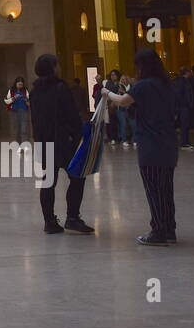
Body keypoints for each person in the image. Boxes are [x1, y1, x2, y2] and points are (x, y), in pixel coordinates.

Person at [101, 48, 178, 246]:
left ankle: (158, 230)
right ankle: (169, 228)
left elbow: (124, 101)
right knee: (166, 188)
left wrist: (107, 92)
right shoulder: (166, 84)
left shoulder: (144, 85)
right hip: (168, 143)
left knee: (154, 188)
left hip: (151, 145)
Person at [29, 53, 91, 236]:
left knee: (48, 181)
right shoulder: (60, 88)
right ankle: (72, 217)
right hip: (62, 141)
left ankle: (49, 221)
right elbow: (71, 115)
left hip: (43, 140)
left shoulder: (34, 92)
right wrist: (79, 134)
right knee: (77, 177)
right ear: (53, 67)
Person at [3, 76, 31, 151]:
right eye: (19, 84)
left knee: (24, 128)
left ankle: (24, 145)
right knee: (15, 128)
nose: (20, 86)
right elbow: (6, 101)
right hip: (14, 111)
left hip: (23, 111)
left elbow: (29, 103)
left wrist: (26, 100)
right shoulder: (11, 91)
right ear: (15, 84)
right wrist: (14, 98)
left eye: (21, 84)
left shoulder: (25, 91)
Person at [103, 70, 124, 145]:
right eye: (111, 75)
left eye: (114, 75)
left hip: (119, 104)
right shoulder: (108, 83)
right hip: (110, 105)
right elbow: (107, 93)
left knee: (121, 122)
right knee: (112, 122)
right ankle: (112, 137)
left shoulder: (120, 83)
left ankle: (120, 137)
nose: (113, 76)